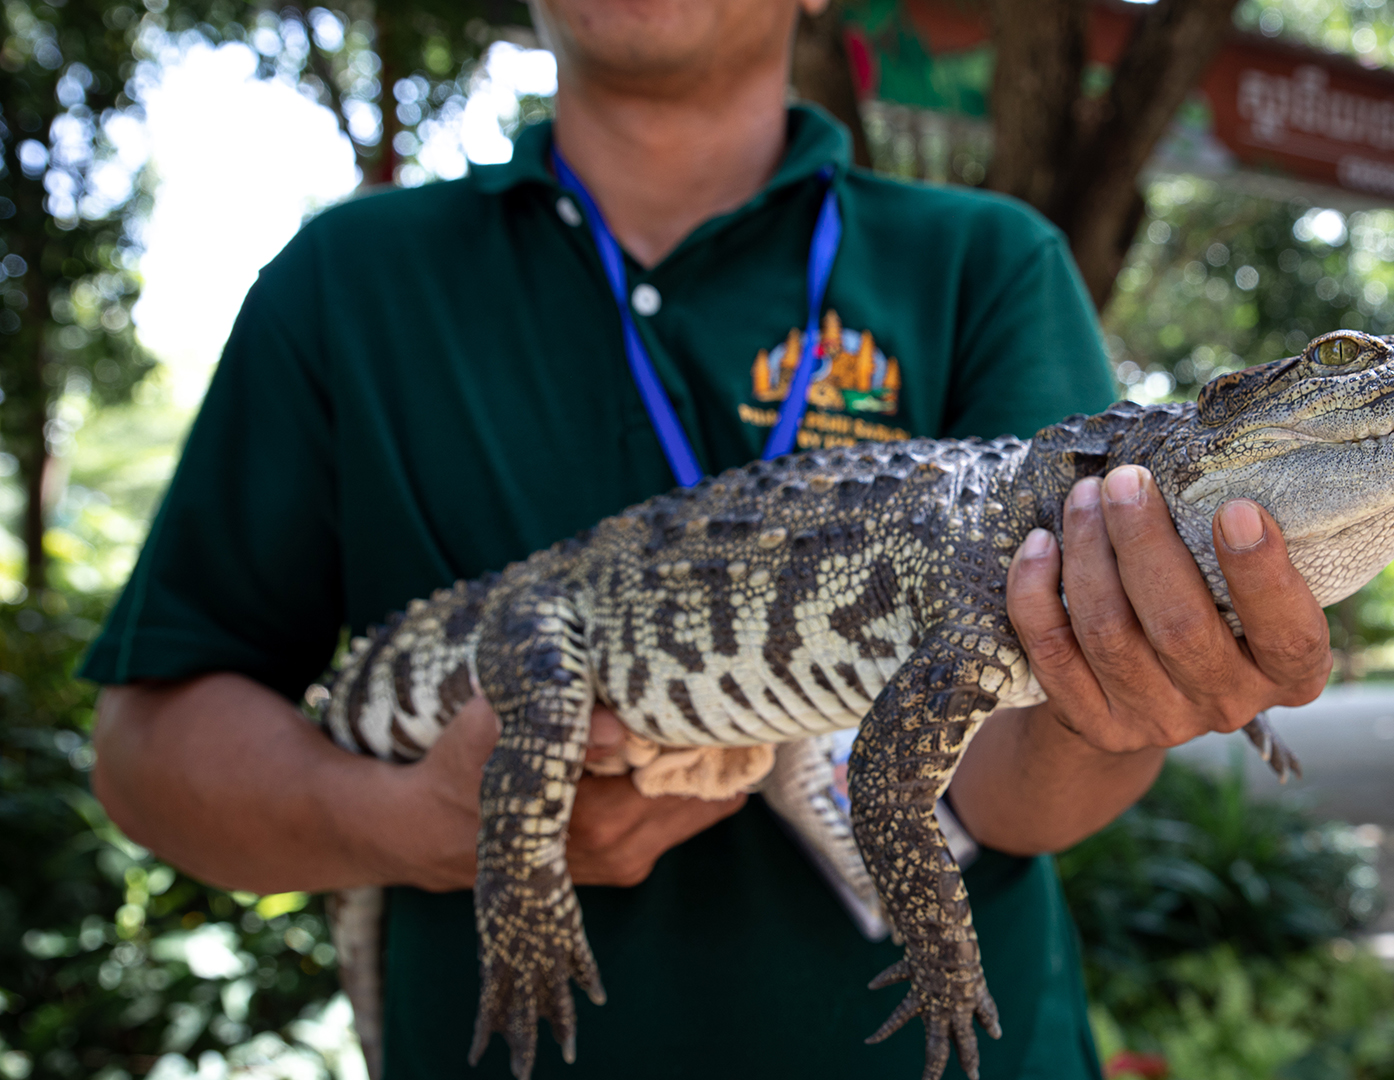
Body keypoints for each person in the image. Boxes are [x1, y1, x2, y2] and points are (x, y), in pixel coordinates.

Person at [84, 0, 1331, 1076]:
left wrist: (1140, 674)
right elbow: (145, 750)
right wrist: (409, 825)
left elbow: (1016, 794)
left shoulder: (985, 262)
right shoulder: (347, 278)